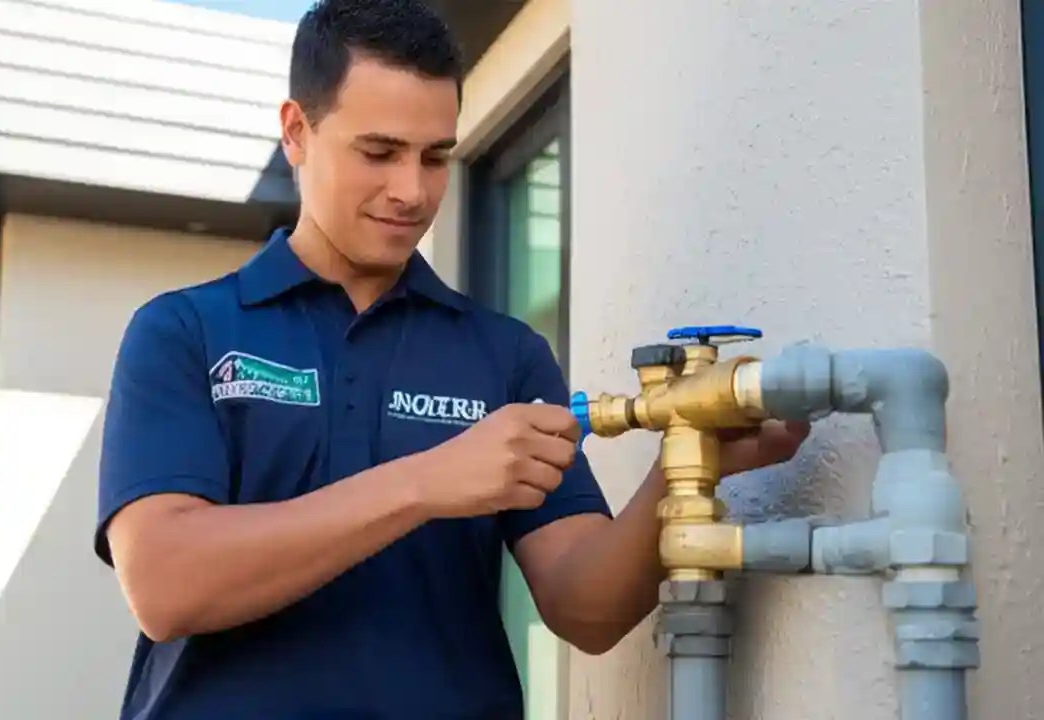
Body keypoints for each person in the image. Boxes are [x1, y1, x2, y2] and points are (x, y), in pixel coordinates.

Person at [94, 0, 809, 717]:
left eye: (436, 156)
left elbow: (587, 611)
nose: (411, 191)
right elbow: (165, 585)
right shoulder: (185, 331)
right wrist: (428, 481)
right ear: (296, 132)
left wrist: (688, 464)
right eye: (379, 152)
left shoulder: (505, 354)